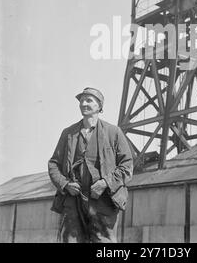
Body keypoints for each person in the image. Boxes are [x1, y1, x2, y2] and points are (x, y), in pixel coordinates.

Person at [48, 87, 133, 243]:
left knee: (103, 242)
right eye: (81, 100)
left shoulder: (113, 132)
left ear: (99, 106)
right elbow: (53, 164)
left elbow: (127, 165)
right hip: (73, 200)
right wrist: (66, 185)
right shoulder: (68, 133)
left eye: (89, 100)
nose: (84, 103)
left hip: (103, 200)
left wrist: (105, 183)